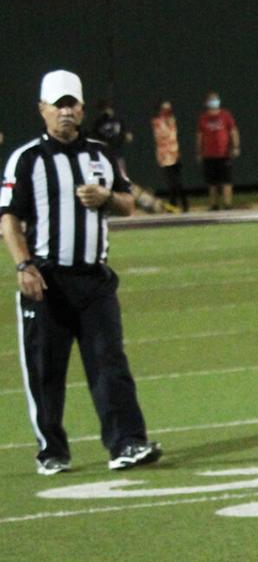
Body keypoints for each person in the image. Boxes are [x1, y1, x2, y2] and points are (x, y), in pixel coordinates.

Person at [0, 69, 162, 475]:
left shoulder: (101, 152)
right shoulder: (26, 159)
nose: (66, 112)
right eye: (58, 105)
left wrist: (106, 197)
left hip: (94, 280)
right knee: (45, 370)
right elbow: (9, 220)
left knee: (110, 363)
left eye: (71, 103)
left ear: (82, 107)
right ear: (43, 110)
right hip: (46, 280)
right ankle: (50, 450)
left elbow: (127, 204)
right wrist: (23, 266)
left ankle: (127, 443)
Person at [196, 90, 239, 210]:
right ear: (206, 103)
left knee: (226, 180)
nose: (213, 102)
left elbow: (233, 131)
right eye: (211, 100)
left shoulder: (225, 115)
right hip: (209, 154)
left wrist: (235, 146)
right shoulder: (203, 118)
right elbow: (199, 136)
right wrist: (199, 152)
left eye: (215, 99)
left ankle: (227, 204)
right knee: (212, 182)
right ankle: (214, 204)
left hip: (224, 153)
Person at [150, 100, 188, 213]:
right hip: (165, 155)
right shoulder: (157, 122)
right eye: (165, 109)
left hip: (174, 154)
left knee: (178, 181)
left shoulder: (172, 120)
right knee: (172, 181)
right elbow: (162, 135)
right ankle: (174, 203)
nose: (168, 112)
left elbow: (172, 135)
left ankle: (182, 203)